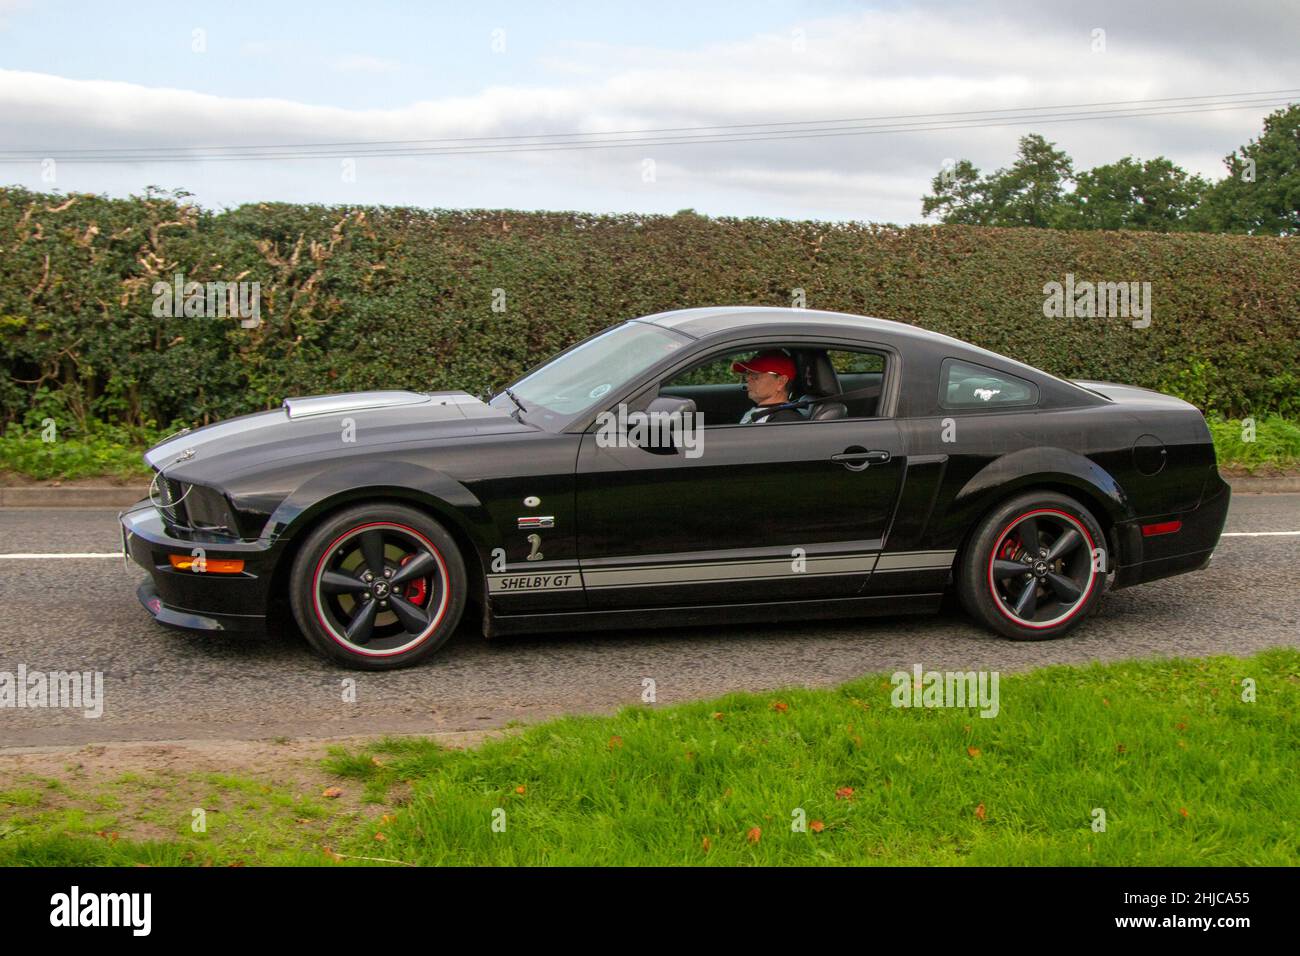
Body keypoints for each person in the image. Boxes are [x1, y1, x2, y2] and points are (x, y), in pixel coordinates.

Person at [732, 350, 804, 424]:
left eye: (755, 375)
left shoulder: (786, 420)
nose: (747, 379)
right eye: (748, 374)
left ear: (781, 382)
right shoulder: (764, 412)